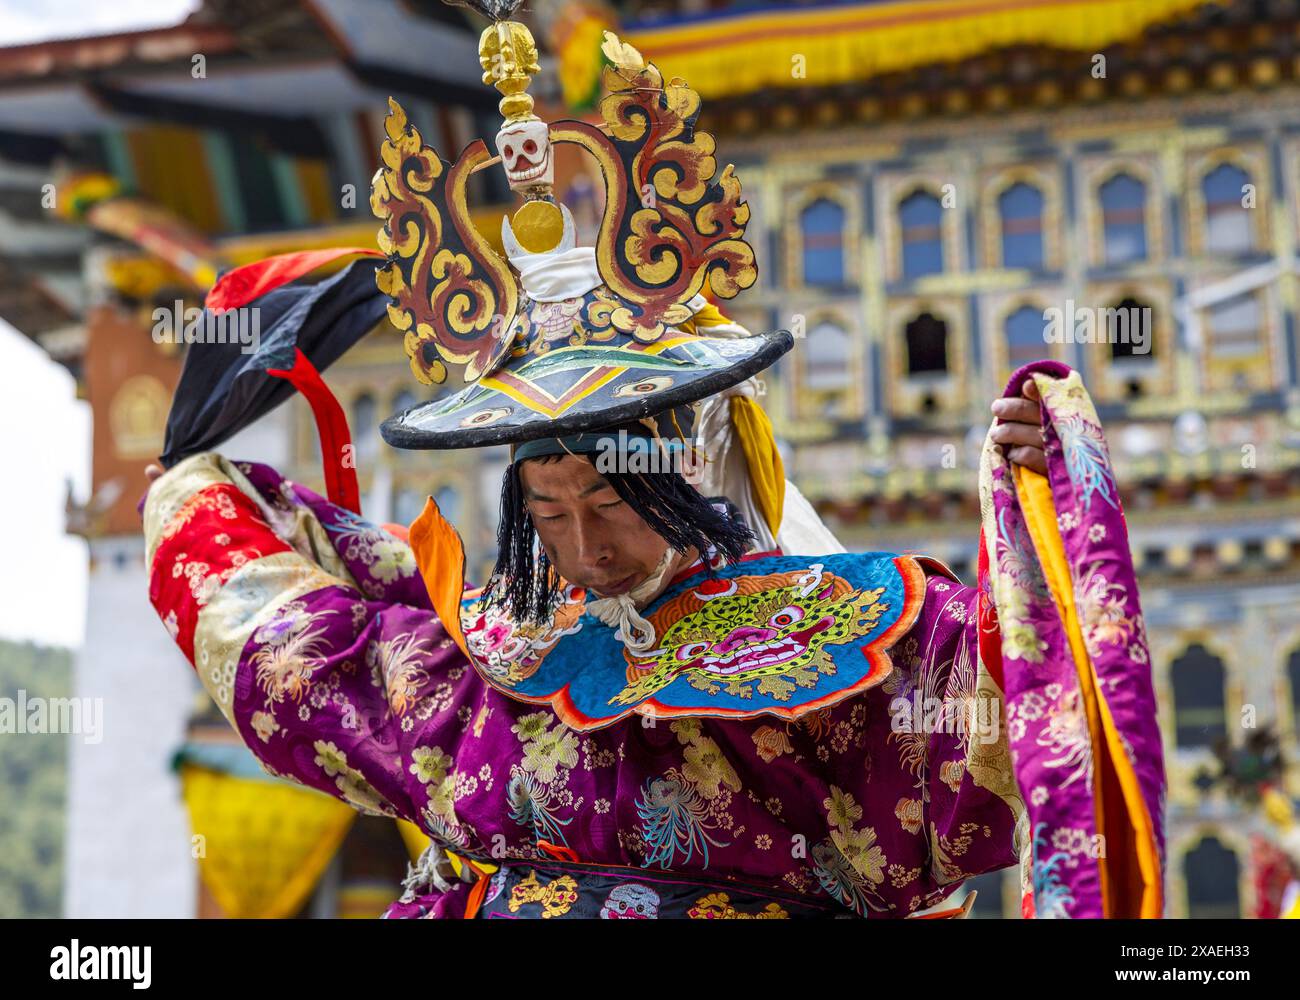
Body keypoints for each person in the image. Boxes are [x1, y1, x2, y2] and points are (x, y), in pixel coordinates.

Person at [141, 14, 1164, 919]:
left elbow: (1031, 699)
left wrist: (1043, 504)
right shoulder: (478, 658)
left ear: (692, 467)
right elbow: (295, 648)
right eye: (544, 514)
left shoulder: (862, 639)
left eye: (608, 500)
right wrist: (187, 480)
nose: (584, 547)